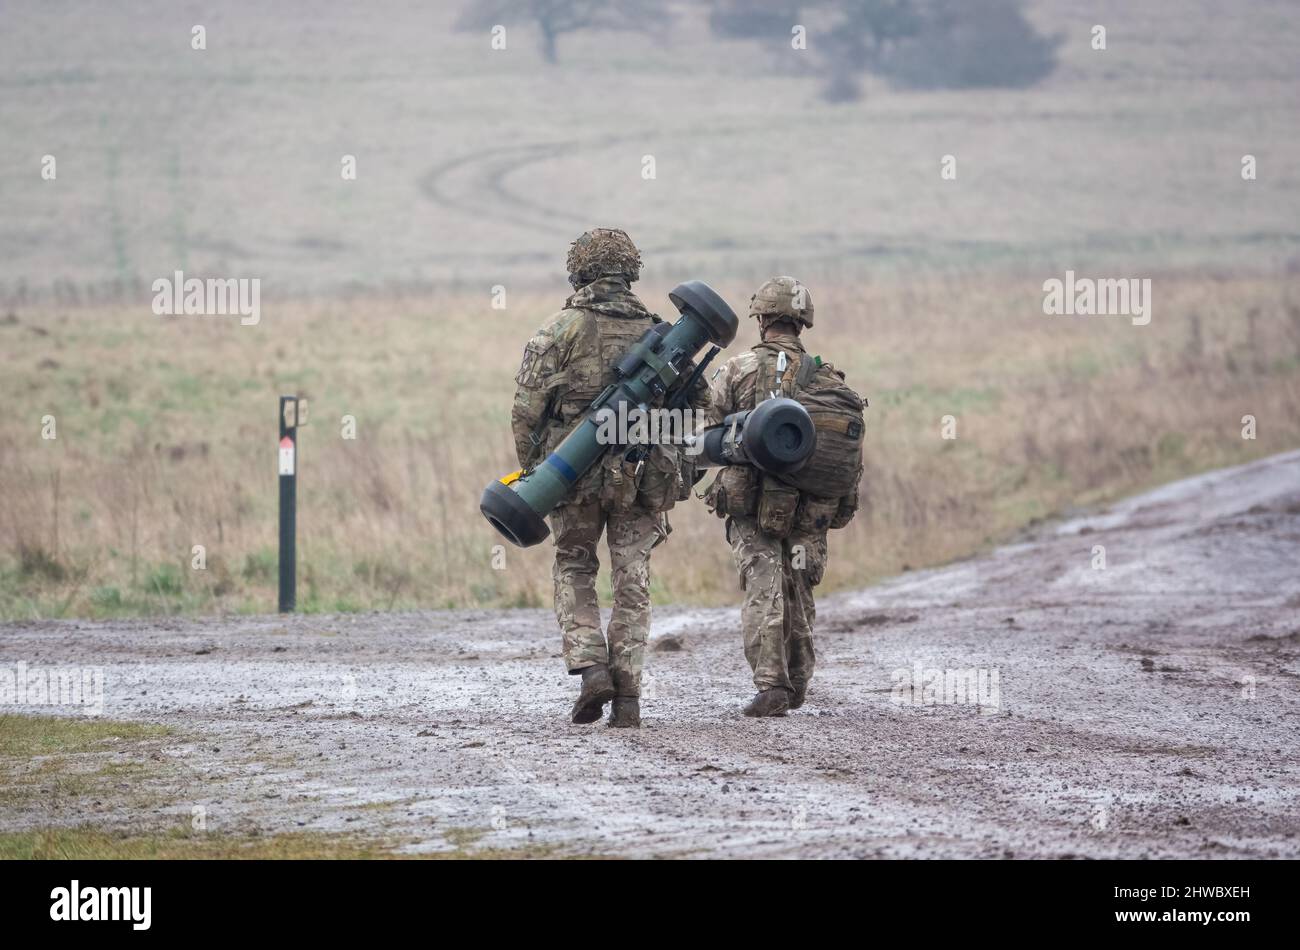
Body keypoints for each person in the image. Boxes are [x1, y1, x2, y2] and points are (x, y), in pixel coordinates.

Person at [510, 229, 709, 727]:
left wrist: (537, 478)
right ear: (630, 271)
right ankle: (628, 697)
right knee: (632, 577)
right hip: (642, 475)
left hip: (570, 475)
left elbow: (526, 411)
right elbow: (698, 407)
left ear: (579, 271)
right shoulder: (664, 334)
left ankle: (591, 666)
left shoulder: (557, 330)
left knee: (575, 565)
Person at [705, 277, 862, 717]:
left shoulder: (737, 370)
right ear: (802, 322)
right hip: (810, 505)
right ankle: (797, 681)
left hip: (753, 503)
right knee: (798, 588)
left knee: (763, 586)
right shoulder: (829, 379)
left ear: (762, 318)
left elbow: (704, 436)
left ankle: (771, 683)